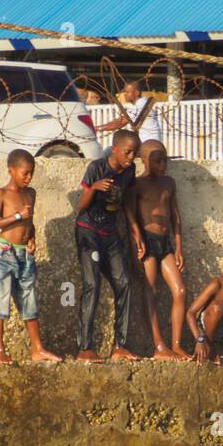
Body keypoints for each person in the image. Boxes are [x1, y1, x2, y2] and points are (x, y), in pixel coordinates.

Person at [0, 149, 61, 365]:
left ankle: (37, 348)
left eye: (31, 173)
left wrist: (32, 238)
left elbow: (30, 223)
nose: (28, 178)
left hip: (24, 254)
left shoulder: (31, 194)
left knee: (29, 299)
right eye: (24, 173)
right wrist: (18, 215)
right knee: (0, 298)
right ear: (11, 170)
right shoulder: (1, 193)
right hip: (5, 251)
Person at [75, 130, 140, 363]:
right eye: (127, 152)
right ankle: (85, 347)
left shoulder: (130, 171)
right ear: (115, 149)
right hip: (89, 233)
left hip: (111, 234)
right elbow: (80, 206)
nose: (131, 157)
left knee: (124, 283)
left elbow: (128, 202)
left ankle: (119, 346)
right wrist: (94, 189)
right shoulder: (97, 168)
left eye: (134, 152)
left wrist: (135, 233)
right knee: (92, 284)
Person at [126, 139, 190, 361]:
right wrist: (136, 243)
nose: (163, 164)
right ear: (144, 160)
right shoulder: (136, 185)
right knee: (150, 292)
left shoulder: (169, 183)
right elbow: (130, 216)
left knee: (180, 291)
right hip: (147, 243)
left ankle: (176, 344)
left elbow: (175, 217)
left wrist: (179, 247)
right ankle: (159, 345)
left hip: (166, 243)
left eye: (165, 159)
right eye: (157, 160)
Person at [99, 80, 163, 146]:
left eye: (127, 92)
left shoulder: (140, 106)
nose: (124, 94)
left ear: (136, 93)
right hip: (148, 142)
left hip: (148, 144)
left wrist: (97, 128)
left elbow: (120, 122)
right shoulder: (141, 103)